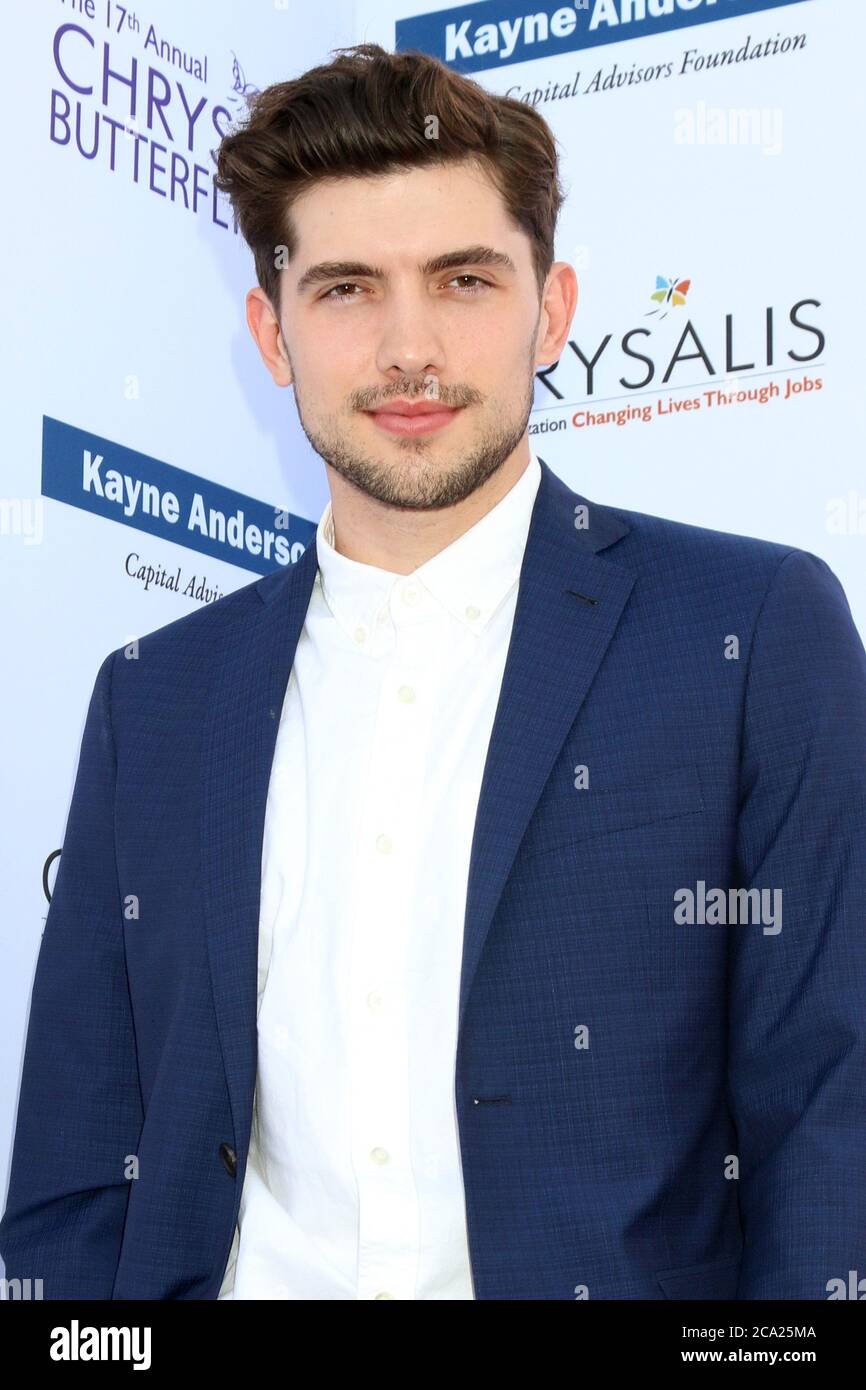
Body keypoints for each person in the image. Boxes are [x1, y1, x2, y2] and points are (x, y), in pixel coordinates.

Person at [2, 42, 865, 1301]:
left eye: (462, 280)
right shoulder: (154, 697)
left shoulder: (746, 629)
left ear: (552, 309)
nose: (408, 348)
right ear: (271, 329)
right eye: (346, 289)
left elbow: (826, 1110)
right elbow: (79, 1153)